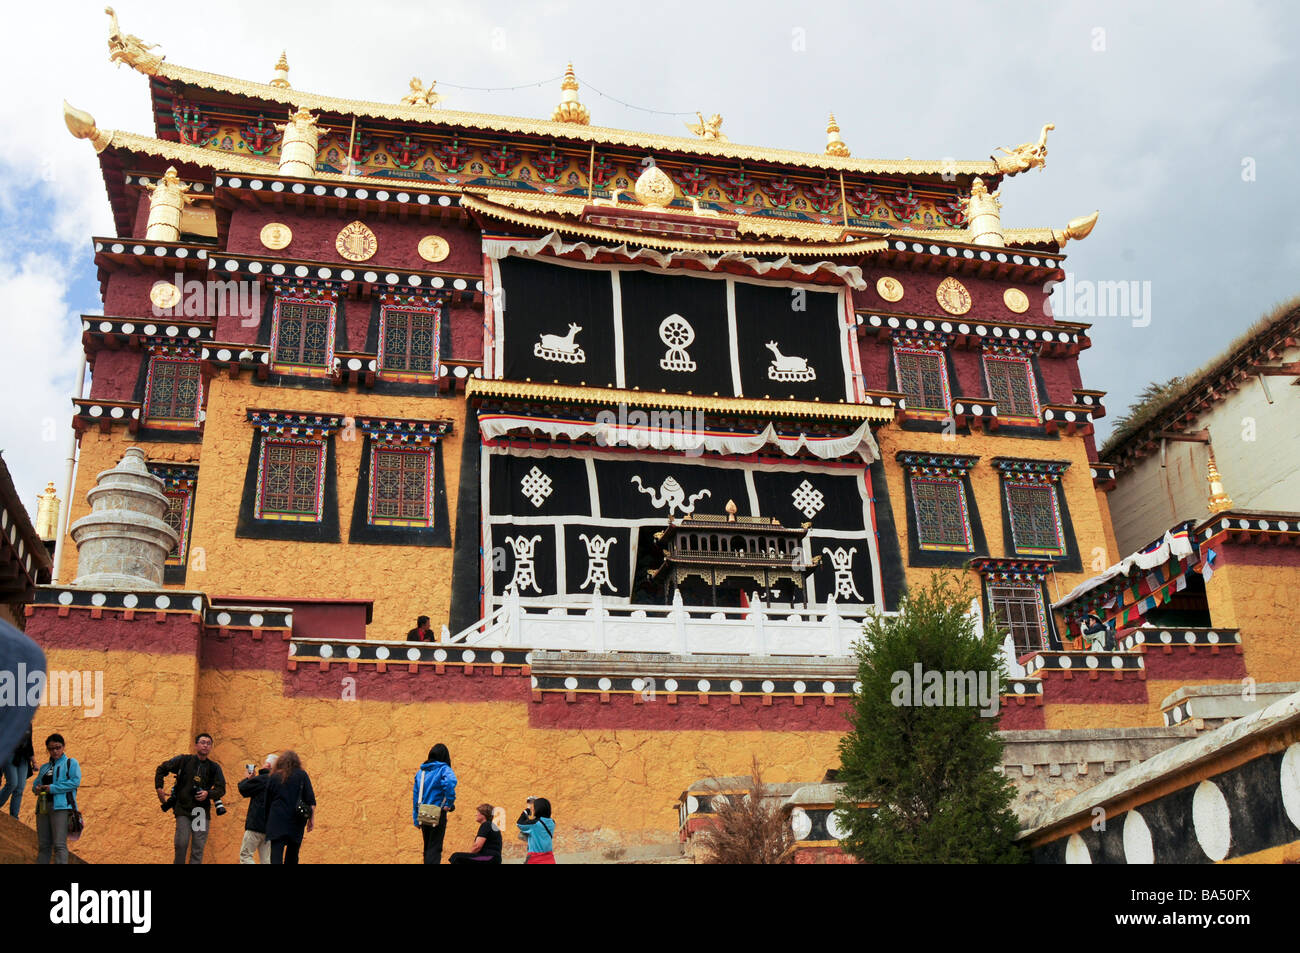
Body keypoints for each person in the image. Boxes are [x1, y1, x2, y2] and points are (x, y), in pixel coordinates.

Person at [154, 732, 227, 865]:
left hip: (201, 812)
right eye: (203, 742)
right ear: (196, 745)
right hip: (183, 809)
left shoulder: (214, 767)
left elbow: (221, 789)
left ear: (211, 747)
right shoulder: (183, 760)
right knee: (181, 843)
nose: (206, 745)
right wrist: (159, 788)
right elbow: (161, 768)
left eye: (209, 743)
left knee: (198, 848)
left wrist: (207, 793)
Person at [32, 733, 80, 864]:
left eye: (58, 747)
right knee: (44, 846)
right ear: (47, 749)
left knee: (59, 845)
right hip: (42, 807)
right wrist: (37, 788)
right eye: (51, 748)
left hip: (61, 807)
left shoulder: (71, 763)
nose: (55, 751)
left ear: (63, 747)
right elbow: (35, 784)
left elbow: (74, 782)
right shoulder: (44, 767)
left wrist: (52, 788)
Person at [262, 750, 315, 865]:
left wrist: (266, 823)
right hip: (296, 821)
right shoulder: (302, 775)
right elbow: (311, 800)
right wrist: (311, 820)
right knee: (292, 856)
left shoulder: (274, 777)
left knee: (276, 857)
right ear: (297, 762)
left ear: (280, 762)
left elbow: (267, 802)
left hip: (277, 821)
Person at [412, 743, 456, 864]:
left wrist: (416, 818)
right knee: (435, 848)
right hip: (438, 811)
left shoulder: (421, 772)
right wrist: (449, 802)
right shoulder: (444, 769)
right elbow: (451, 782)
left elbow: (415, 796)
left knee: (427, 847)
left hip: (423, 811)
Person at [237, 753, 277, 864]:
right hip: (269, 828)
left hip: (255, 826)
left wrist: (248, 778)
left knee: (245, 856)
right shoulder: (278, 782)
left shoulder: (262, 779)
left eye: (265, 762)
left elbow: (243, 789)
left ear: (268, 765)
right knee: (266, 860)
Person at [0, 726, 35, 818]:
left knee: (20, 788)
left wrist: (34, 761)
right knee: (12, 783)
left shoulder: (28, 723)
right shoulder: (11, 718)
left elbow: (29, 744)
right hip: (10, 755)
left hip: (23, 757)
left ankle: (14, 817)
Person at [516, 796, 556, 864]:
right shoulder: (552, 822)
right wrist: (539, 803)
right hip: (549, 858)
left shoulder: (535, 824)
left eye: (534, 807)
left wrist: (528, 808)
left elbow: (519, 823)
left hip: (535, 858)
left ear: (537, 809)